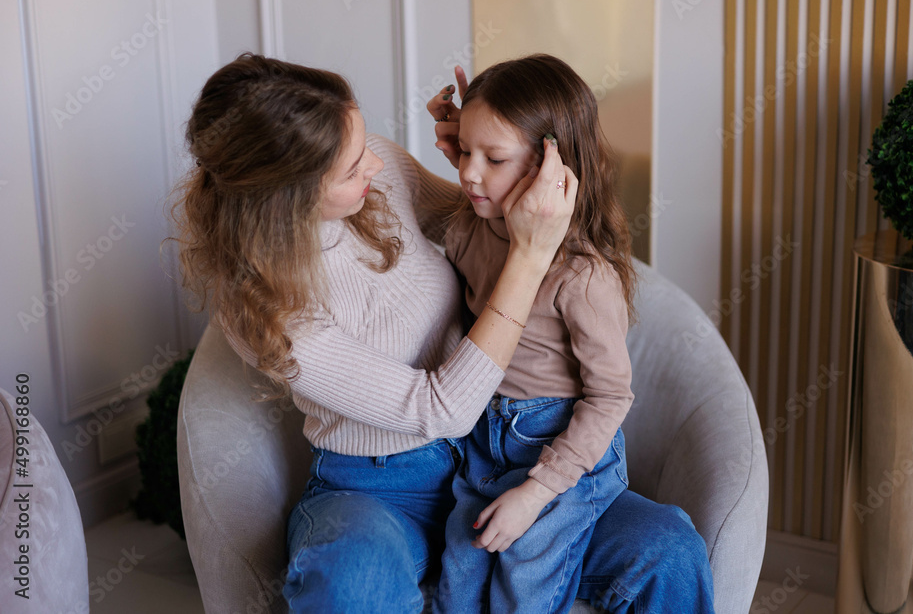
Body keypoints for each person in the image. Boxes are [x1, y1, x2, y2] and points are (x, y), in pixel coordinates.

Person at [170, 52, 715, 613]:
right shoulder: (265, 308)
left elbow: (478, 216)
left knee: (667, 548)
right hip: (381, 487)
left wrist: (481, 152)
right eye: (353, 166)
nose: (376, 165)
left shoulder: (378, 166)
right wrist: (528, 258)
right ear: (290, 196)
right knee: (350, 584)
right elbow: (442, 407)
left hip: (504, 454)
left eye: (365, 146)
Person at [430, 54, 655, 614]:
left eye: (494, 158)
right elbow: (426, 207)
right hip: (486, 441)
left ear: (553, 169)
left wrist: (535, 494)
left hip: (562, 455)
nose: (468, 173)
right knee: (459, 568)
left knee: (525, 579)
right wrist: (459, 142)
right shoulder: (472, 227)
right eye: (464, 152)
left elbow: (610, 397)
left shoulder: (581, 276)